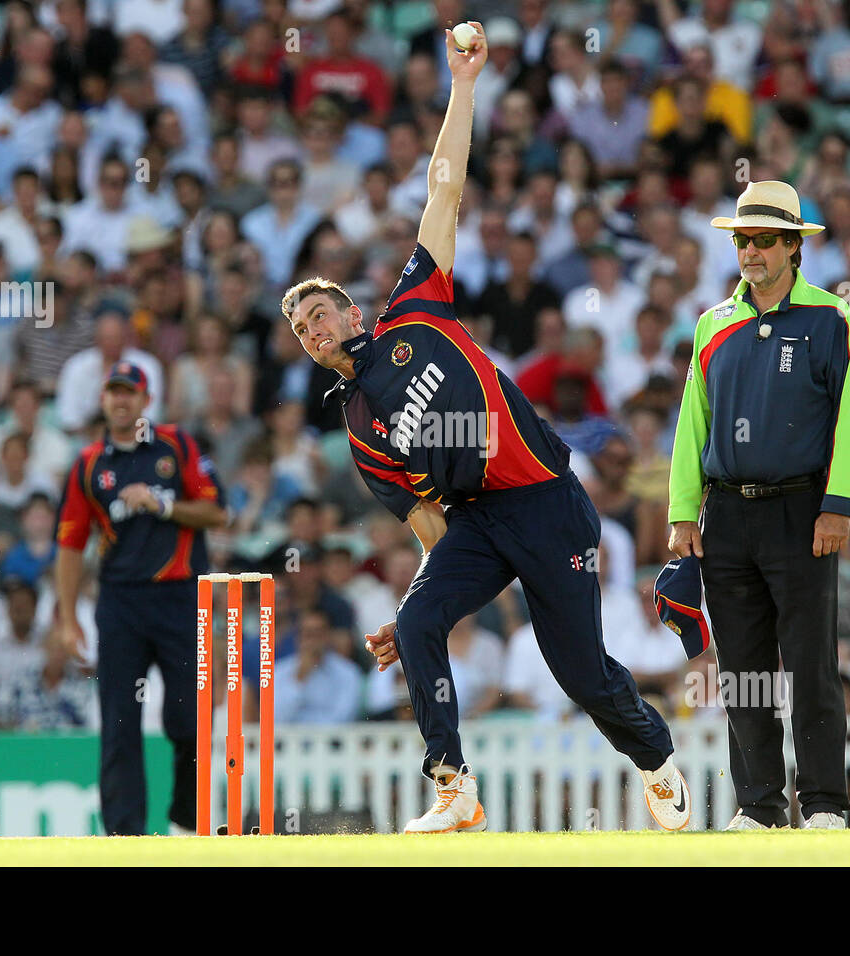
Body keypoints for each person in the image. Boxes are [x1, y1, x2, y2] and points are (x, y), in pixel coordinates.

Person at [279, 23, 690, 835]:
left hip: (546, 502)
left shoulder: (415, 312)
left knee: (581, 673)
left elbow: (444, 187)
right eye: (301, 330)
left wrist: (463, 87)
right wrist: (425, 602)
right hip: (478, 524)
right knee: (416, 620)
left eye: (321, 313)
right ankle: (452, 787)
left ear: (352, 312)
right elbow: (429, 522)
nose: (314, 330)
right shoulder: (361, 429)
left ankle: (657, 761)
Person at [668, 180, 850, 830]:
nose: (750, 250)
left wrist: (839, 502)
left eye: (763, 239)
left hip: (803, 510)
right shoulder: (712, 323)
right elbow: (691, 425)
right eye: (742, 239)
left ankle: (822, 805)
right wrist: (682, 511)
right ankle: (757, 807)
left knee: (811, 664)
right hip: (726, 516)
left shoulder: (831, 319)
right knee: (743, 673)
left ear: (793, 246)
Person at [54, 360, 226, 835]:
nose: (121, 400)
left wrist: (162, 503)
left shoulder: (177, 444)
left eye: (130, 392)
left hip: (180, 596)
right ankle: (123, 837)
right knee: (119, 722)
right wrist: (68, 619)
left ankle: (187, 822)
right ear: (103, 400)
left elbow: (217, 514)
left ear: (147, 400)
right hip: (120, 603)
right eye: (113, 392)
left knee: (188, 717)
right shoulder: (89, 463)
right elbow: (69, 544)